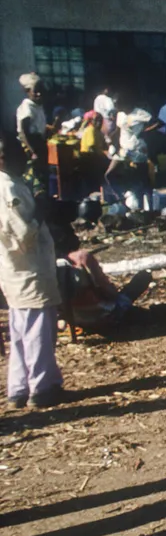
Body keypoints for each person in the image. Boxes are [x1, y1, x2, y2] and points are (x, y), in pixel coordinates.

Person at [0, 140, 64, 409]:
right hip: (27, 269)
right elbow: (23, 233)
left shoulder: (12, 182)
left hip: (18, 270)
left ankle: (18, 388)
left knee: (20, 330)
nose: (23, 158)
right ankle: (42, 386)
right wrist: (40, 209)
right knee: (37, 330)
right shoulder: (8, 187)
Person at [58, 249, 153, 332]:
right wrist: (113, 291)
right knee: (144, 277)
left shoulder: (50, 265)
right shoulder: (82, 257)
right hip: (105, 316)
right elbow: (109, 292)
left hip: (75, 320)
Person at [12, 73, 50, 198]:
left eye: (41, 91)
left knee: (43, 173)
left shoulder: (38, 106)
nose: (39, 94)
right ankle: (36, 198)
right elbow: (24, 132)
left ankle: (44, 197)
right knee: (34, 175)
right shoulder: (27, 107)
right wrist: (32, 151)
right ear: (27, 91)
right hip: (31, 144)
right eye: (36, 91)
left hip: (39, 142)